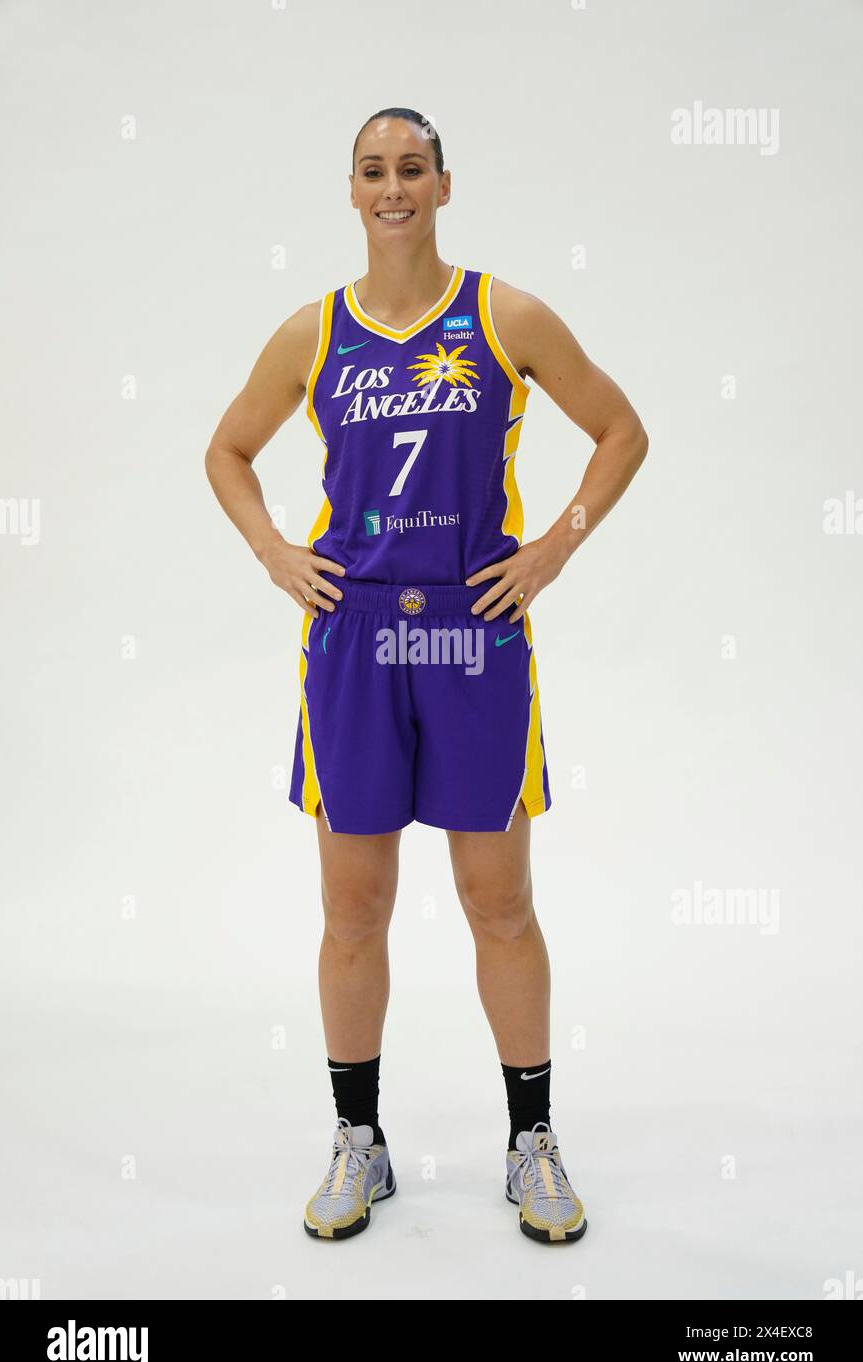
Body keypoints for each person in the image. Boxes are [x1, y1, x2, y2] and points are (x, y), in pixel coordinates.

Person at [205, 107, 648, 1244]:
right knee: (352, 907)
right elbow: (228, 449)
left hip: (471, 636)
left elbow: (619, 429)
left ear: (443, 185)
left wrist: (551, 547)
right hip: (350, 638)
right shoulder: (313, 333)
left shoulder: (503, 313)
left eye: (411, 168)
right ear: (349, 192)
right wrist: (270, 551)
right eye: (372, 171)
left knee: (497, 902)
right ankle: (359, 1139)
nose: (392, 187)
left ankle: (530, 1142)